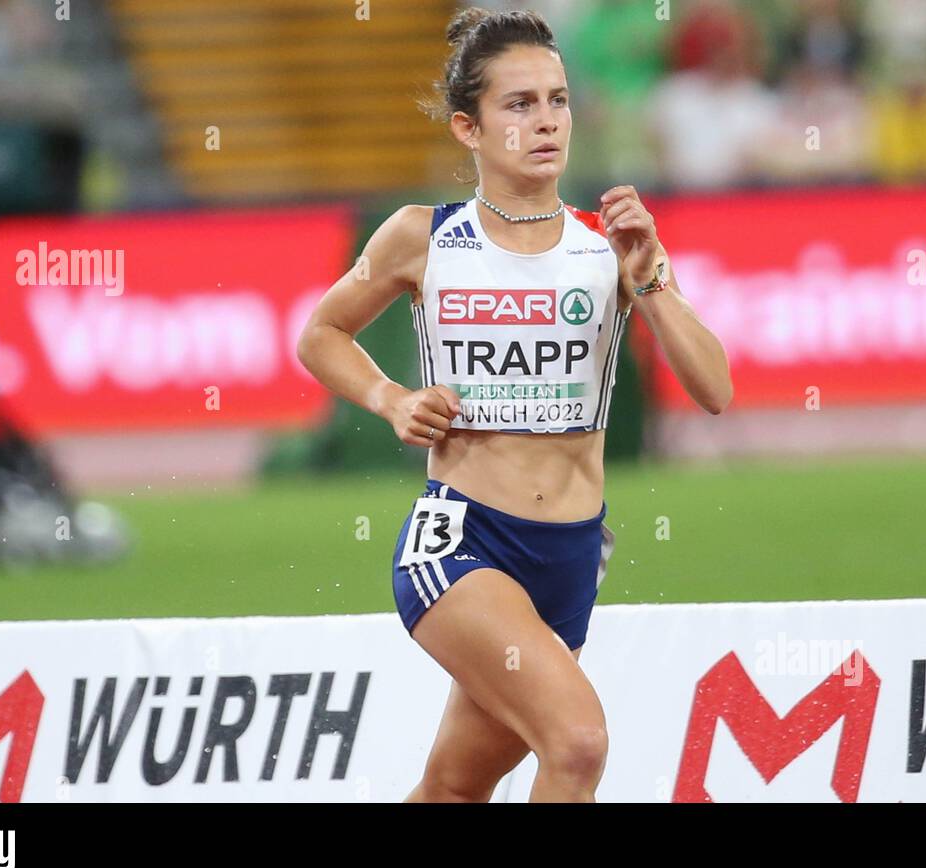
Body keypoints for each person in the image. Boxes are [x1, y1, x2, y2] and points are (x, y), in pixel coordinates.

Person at [296, 6, 732, 803]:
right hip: (460, 542)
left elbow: (715, 391)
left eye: (558, 100)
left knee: (456, 785)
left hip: (569, 556)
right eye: (520, 104)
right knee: (576, 742)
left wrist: (653, 282)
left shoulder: (611, 243)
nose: (547, 122)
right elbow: (321, 334)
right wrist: (390, 399)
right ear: (469, 128)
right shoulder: (422, 237)